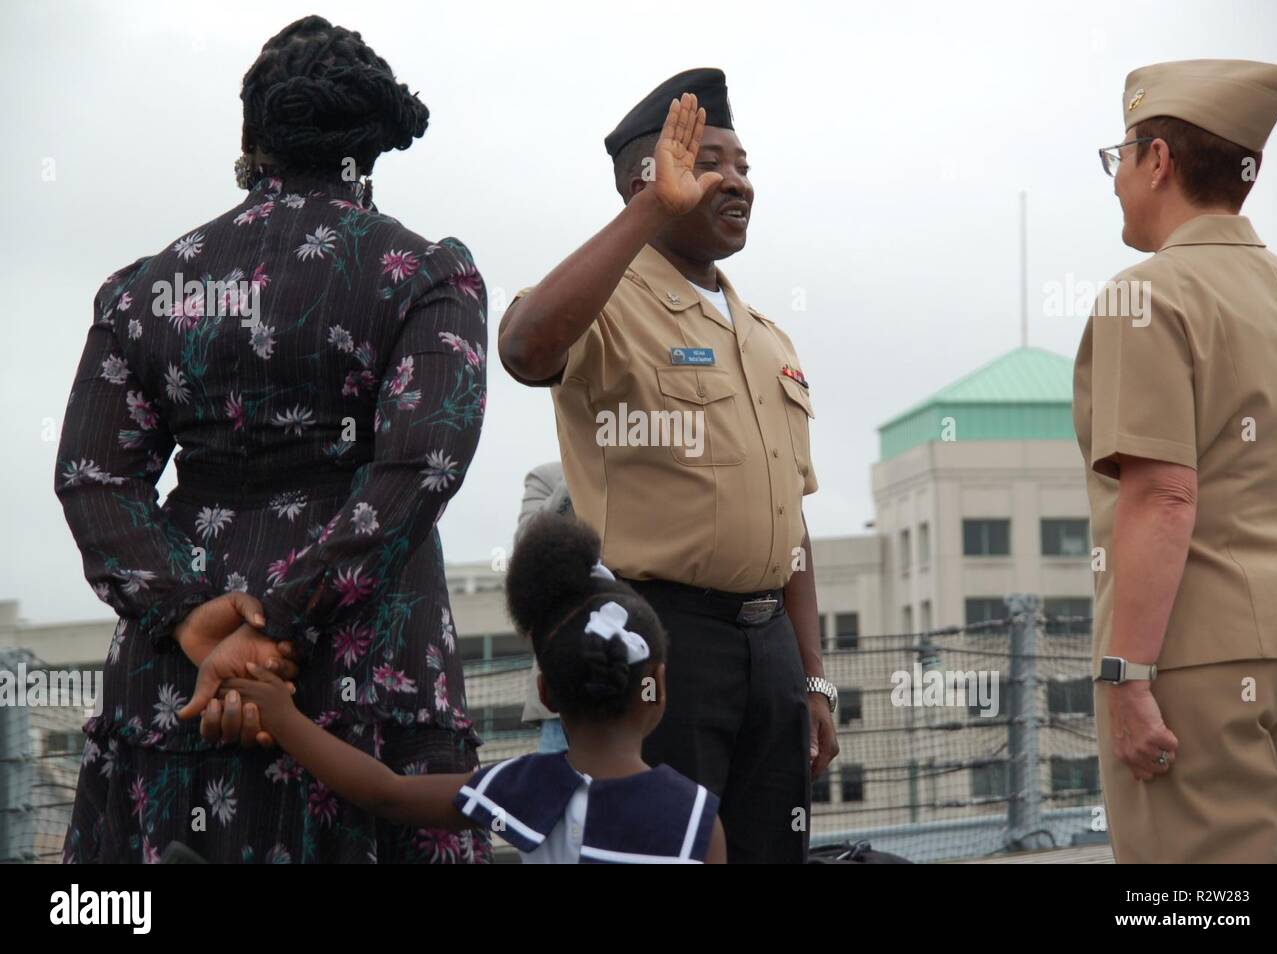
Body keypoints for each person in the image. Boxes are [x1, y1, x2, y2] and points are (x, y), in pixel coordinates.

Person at [54, 15, 490, 863]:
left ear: (252, 137)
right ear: (370, 148)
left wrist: (192, 623)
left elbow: (91, 478)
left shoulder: (143, 290)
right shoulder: (426, 276)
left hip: (178, 677)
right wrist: (284, 624)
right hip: (366, 672)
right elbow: (420, 466)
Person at [498, 69, 837, 863]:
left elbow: (791, 519)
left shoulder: (766, 336)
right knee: (663, 852)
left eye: (745, 165)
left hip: (771, 649)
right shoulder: (608, 304)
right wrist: (652, 211)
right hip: (663, 636)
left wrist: (812, 678)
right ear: (643, 181)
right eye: (711, 162)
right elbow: (524, 347)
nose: (739, 183)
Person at [1075, 58, 1277, 863]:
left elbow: (1163, 494)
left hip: (1194, 659)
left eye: (1120, 157)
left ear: (1159, 161)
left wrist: (1126, 675)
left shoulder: (1150, 296)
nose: (1116, 181)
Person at [223, 513, 726, 863]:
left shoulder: (529, 788)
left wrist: (285, 719)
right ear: (656, 685)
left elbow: (387, 794)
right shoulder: (698, 818)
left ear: (546, 692)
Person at [515, 462, 572, 753]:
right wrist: (578, 473)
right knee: (556, 797)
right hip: (564, 707)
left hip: (640, 696)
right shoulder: (547, 477)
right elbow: (527, 547)